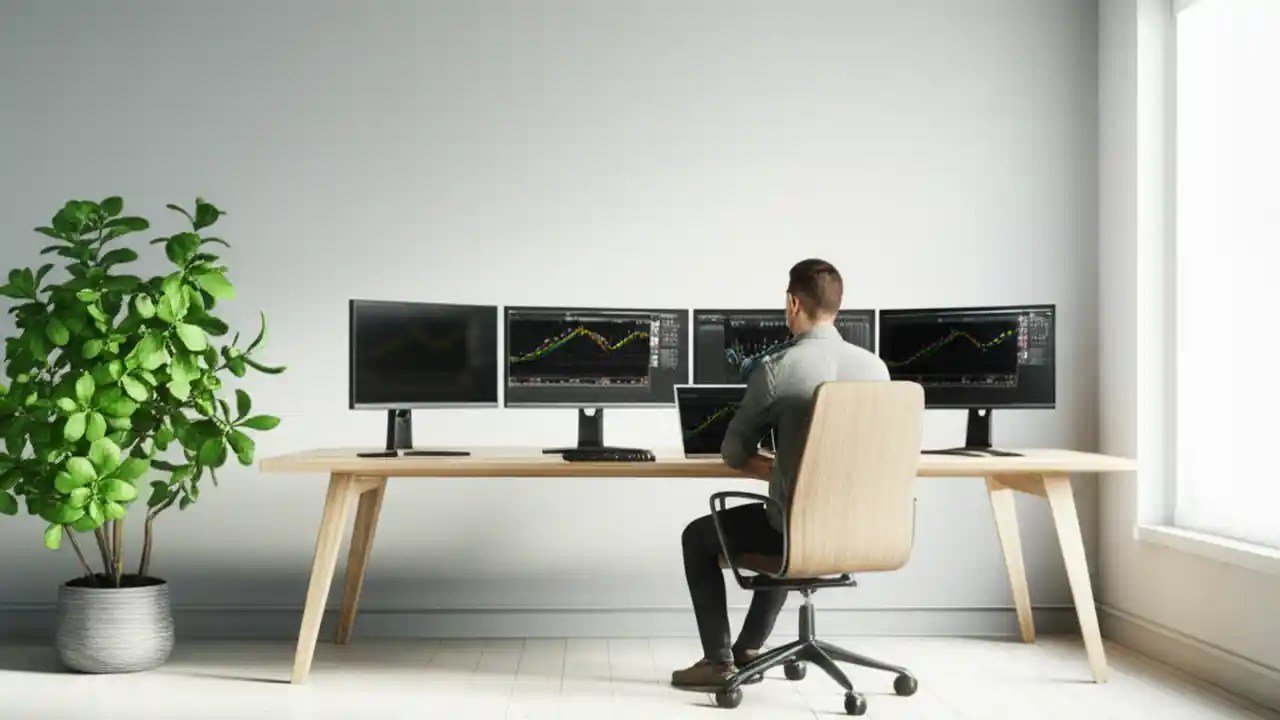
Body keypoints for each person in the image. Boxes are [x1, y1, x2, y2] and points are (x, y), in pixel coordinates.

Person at [671, 258, 890, 691]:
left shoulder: (778, 369)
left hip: (799, 530)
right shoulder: (876, 370)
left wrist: (785, 472)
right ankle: (749, 648)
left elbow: (734, 452)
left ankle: (718, 663)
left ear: (793, 303)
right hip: (864, 528)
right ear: (838, 307)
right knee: (789, 519)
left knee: (700, 537)